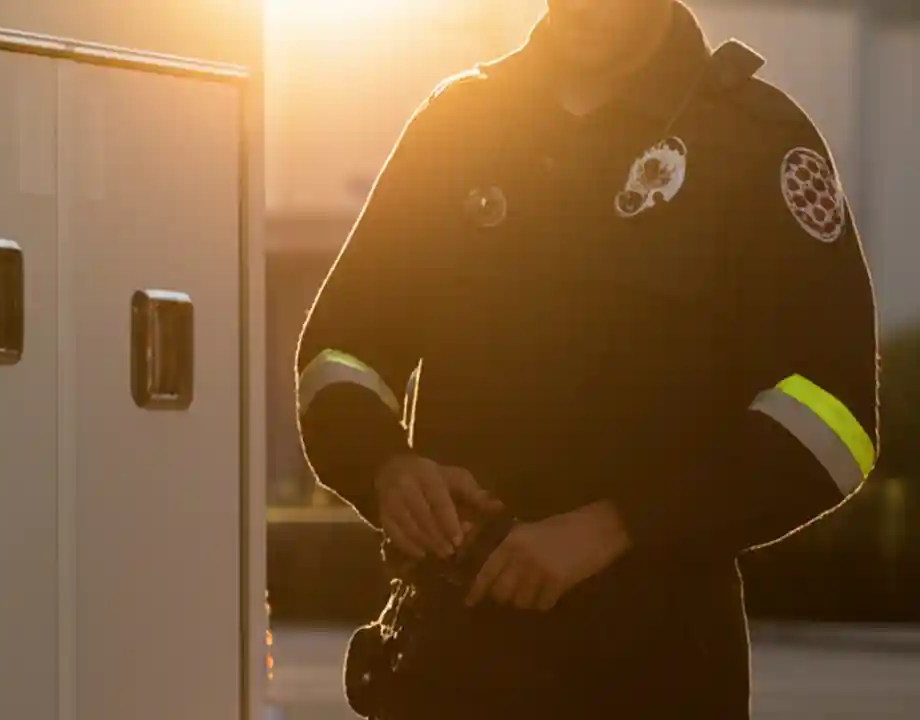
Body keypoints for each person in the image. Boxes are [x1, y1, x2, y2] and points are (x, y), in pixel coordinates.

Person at [294, 0, 880, 717]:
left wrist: (618, 526)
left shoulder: (755, 140)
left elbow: (835, 415)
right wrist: (386, 467)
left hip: (655, 667)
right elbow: (339, 351)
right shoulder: (459, 122)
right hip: (455, 659)